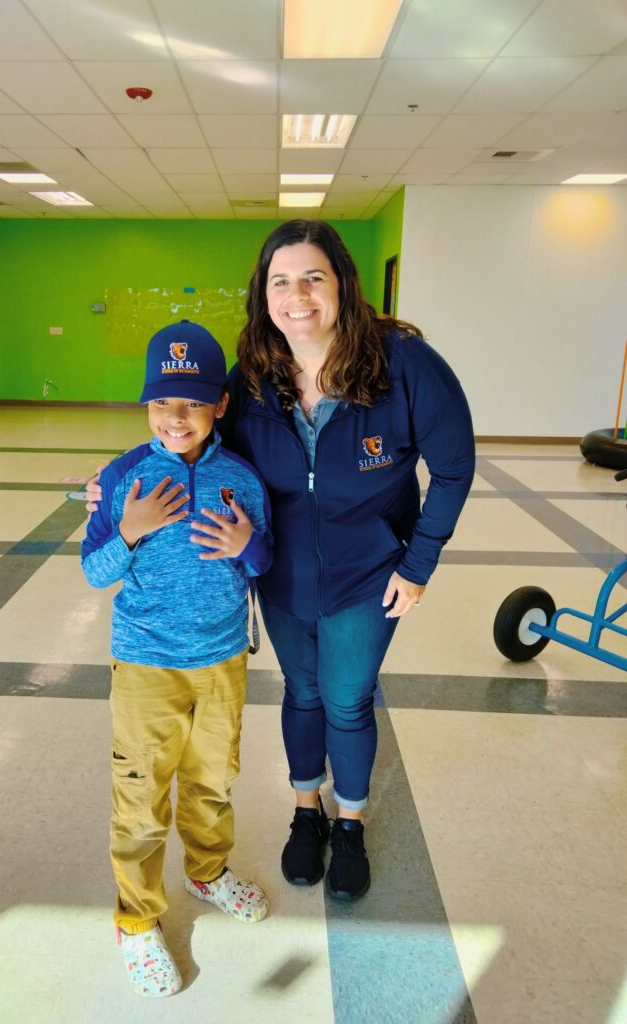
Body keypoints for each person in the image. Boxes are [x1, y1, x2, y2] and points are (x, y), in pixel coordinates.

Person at [87, 220, 475, 905]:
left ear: (344, 285)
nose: (297, 296)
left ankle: (349, 822)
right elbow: (185, 424)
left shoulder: (404, 364)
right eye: (280, 281)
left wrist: (418, 565)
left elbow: (453, 468)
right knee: (303, 693)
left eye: (313, 277)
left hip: (370, 573)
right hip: (282, 570)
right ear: (263, 295)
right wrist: (112, 483)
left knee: (348, 699)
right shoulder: (255, 376)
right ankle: (306, 809)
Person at [81, 319, 273, 998]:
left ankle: (208, 869)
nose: (175, 418)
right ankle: (137, 921)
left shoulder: (242, 479)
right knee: (139, 797)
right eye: (162, 403)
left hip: (221, 660)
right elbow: (94, 573)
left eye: (192, 403)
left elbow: (265, 561)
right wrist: (128, 530)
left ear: (220, 404)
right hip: (145, 665)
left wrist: (249, 545)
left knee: (213, 778)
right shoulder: (124, 477)